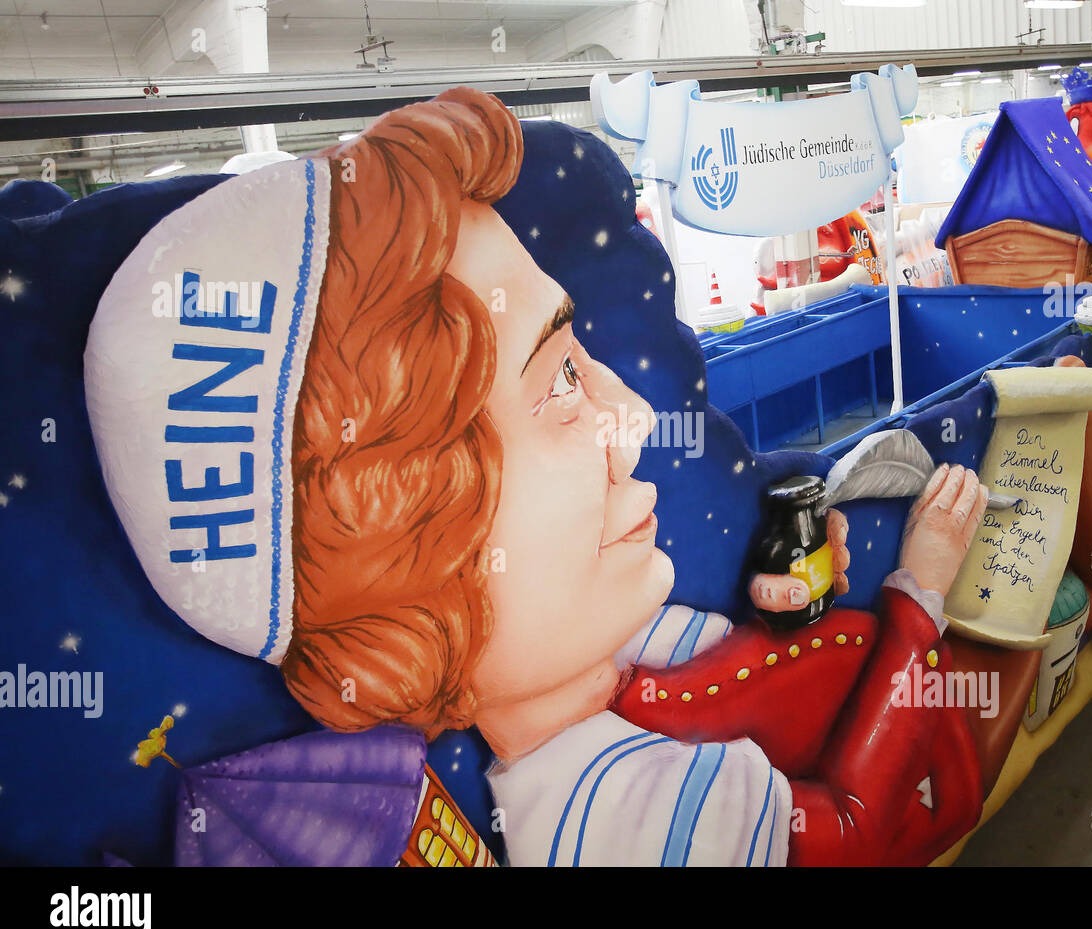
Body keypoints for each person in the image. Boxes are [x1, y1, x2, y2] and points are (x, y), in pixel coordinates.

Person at [88, 88, 990, 867]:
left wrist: (788, 594)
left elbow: (736, 662)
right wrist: (919, 598)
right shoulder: (613, 820)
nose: (634, 421)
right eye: (560, 380)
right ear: (415, 553)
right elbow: (858, 832)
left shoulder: (613, 644)